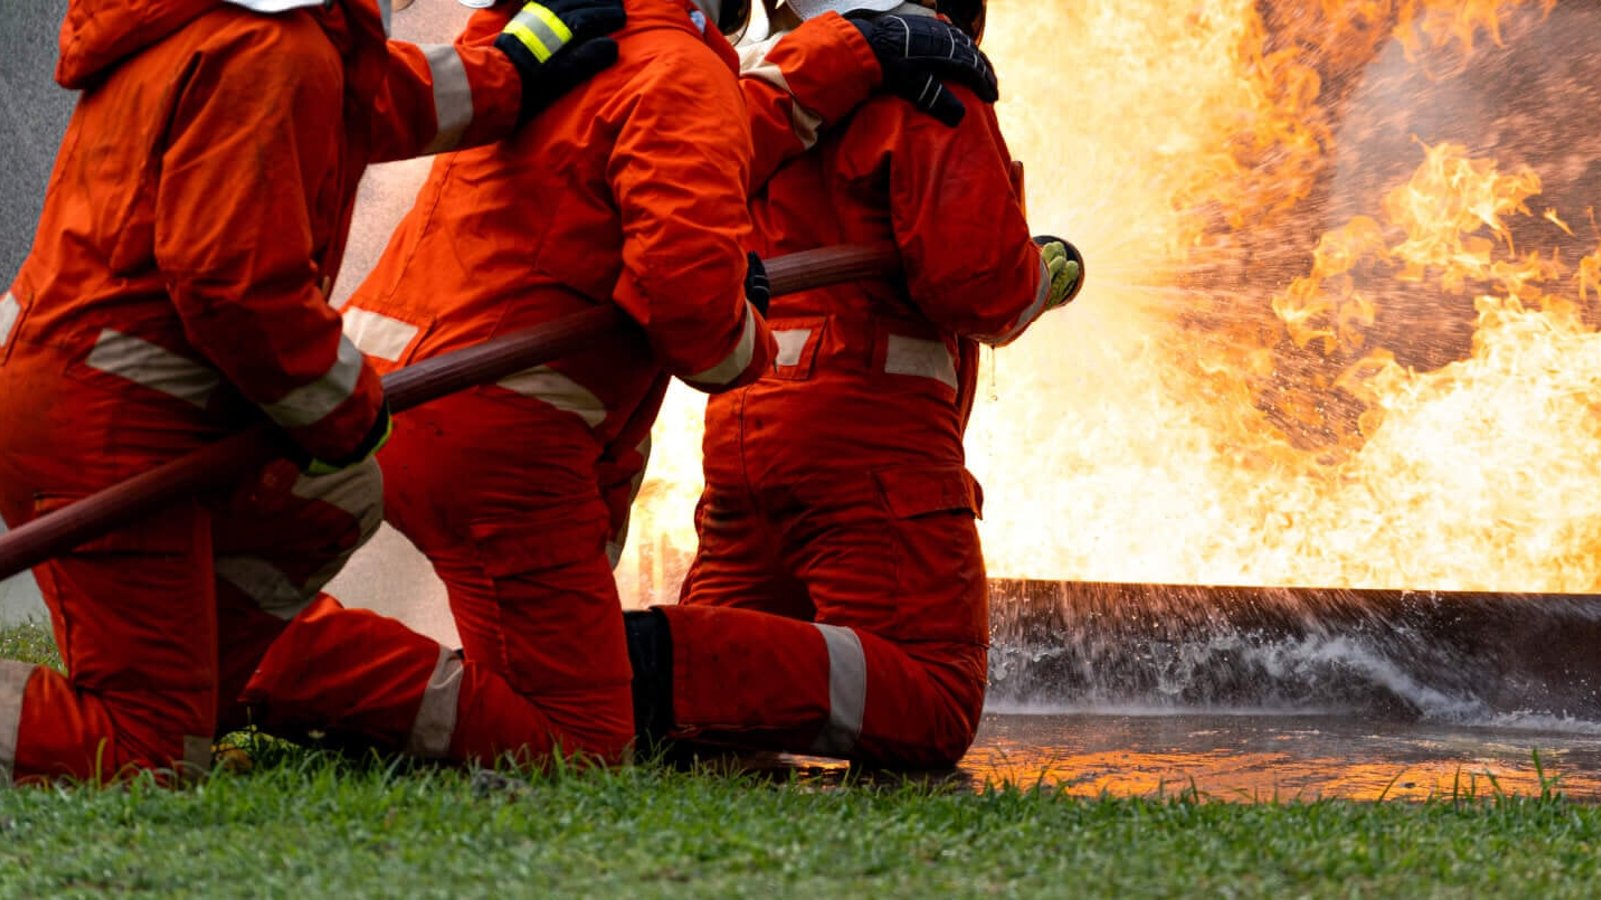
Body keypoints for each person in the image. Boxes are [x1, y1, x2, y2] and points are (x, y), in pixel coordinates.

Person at [238, 0, 1002, 765]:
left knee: (535, 693)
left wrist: (843, 54)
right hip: (501, 440)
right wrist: (747, 334)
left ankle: (223, 638)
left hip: (392, 398)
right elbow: (695, 317)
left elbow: (703, 120)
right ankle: (244, 658)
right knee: (578, 744)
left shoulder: (563, 34)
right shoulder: (683, 68)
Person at [0, 0, 626, 783]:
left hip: (109, 393)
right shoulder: (269, 51)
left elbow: (368, 98)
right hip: (113, 421)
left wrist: (509, 70)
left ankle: (210, 683)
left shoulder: (249, 30)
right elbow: (235, 286)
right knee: (146, 754)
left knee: (334, 490)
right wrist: (346, 406)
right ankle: (167, 717)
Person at [630, 0, 1085, 770]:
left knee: (715, 703)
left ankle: (623, 671)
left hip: (747, 418)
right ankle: (621, 661)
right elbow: (978, 287)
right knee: (932, 695)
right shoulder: (932, 80)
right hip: (869, 436)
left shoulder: (759, 87)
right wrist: (1043, 275)